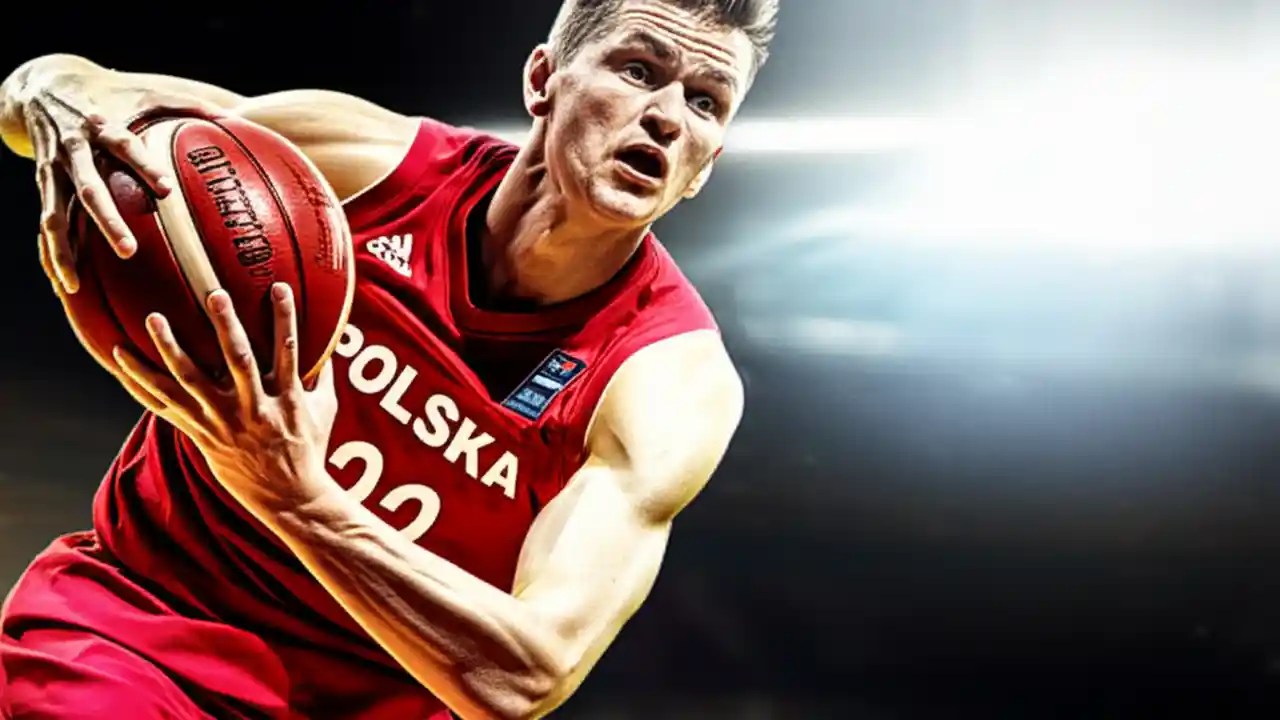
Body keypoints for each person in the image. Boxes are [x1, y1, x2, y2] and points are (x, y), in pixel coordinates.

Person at [0, 0, 777, 716]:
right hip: (134, 638)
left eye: (707, 101)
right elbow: (71, 90)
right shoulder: (371, 166)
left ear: (706, 163)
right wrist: (49, 93)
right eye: (639, 70)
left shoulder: (666, 379)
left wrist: (299, 499)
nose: (669, 117)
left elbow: (529, 678)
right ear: (543, 79)